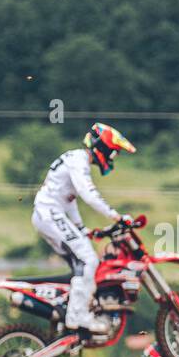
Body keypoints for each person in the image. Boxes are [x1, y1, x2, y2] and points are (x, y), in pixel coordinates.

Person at [32, 122, 136, 333]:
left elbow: (69, 200)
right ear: (102, 148)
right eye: (113, 152)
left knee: (80, 264)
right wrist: (115, 216)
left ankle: (69, 312)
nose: (112, 157)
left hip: (49, 214)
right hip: (49, 214)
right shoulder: (78, 161)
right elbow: (87, 193)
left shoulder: (75, 159)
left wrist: (81, 228)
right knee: (88, 259)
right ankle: (77, 317)